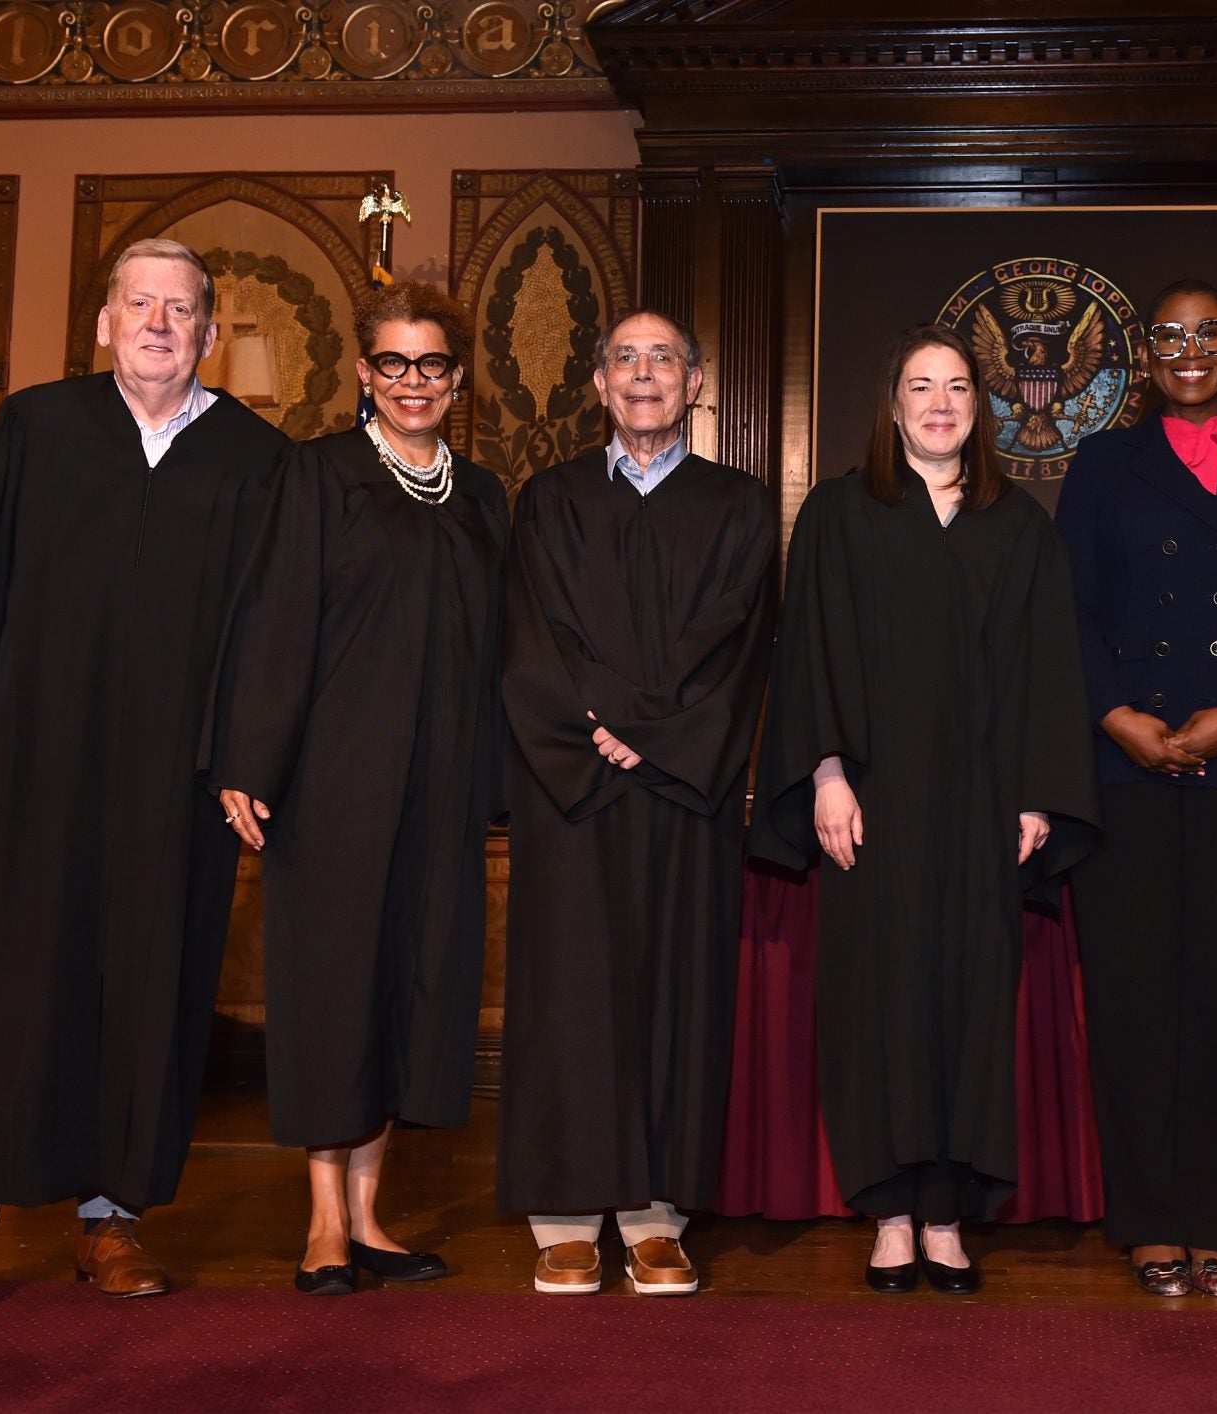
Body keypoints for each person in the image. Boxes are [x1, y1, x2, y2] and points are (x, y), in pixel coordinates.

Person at [0, 239, 288, 1320]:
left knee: (151, 984)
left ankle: (113, 1219)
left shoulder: (256, 458)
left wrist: (243, 758)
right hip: (47, 759)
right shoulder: (37, 428)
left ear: (211, 332)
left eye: (182, 308)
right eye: (140, 303)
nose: (160, 322)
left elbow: (267, 627)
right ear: (106, 322)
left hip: (180, 775)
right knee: (8, 981)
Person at [751, 323, 1098, 1296]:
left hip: (983, 806)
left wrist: (1035, 794)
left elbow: (1045, 668)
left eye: (956, 386)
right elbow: (808, 651)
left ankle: (946, 1215)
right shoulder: (838, 513)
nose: (939, 401)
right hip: (873, 803)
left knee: (970, 1004)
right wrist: (822, 775)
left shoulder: (1017, 525)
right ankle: (890, 1212)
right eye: (920, 384)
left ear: (978, 407)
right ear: (891, 403)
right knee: (878, 1003)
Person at [207, 282, 508, 1295]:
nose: (412, 382)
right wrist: (252, 757)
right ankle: (323, 1223)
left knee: (410, 987)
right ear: (364, 374)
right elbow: (275, 620)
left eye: (431, 366)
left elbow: (504, 649)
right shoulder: (320, 474)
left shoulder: (484, 495)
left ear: (457, 380)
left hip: (440, 783)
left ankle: (373, 1216)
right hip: (333, 778)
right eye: (393, 364)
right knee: (333, 986)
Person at [1053, 278, 1217, 1298]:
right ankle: (1148, 1218)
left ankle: (1216, 1217)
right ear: (1145, 354)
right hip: (1125, 760)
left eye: (1207, 334)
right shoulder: (1100, 462)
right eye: (1168, 335)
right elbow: (1067, 608)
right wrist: (1119, 716)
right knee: (1130, 998)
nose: (1189, 350)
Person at [498, 310, 776, 1297]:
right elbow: (533, 638)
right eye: (626, 358)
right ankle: (567, 1213)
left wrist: (648, 736)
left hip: (680, 793)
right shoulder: (547, 499)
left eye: (664, 358)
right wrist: (602, 731)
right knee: (568, 991)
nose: (645, 373)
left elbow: (736, 643)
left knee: (674, 989)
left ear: (695, 382)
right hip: (569, 787)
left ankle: (658, 1215)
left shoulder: (738, 505)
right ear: (599, 383)